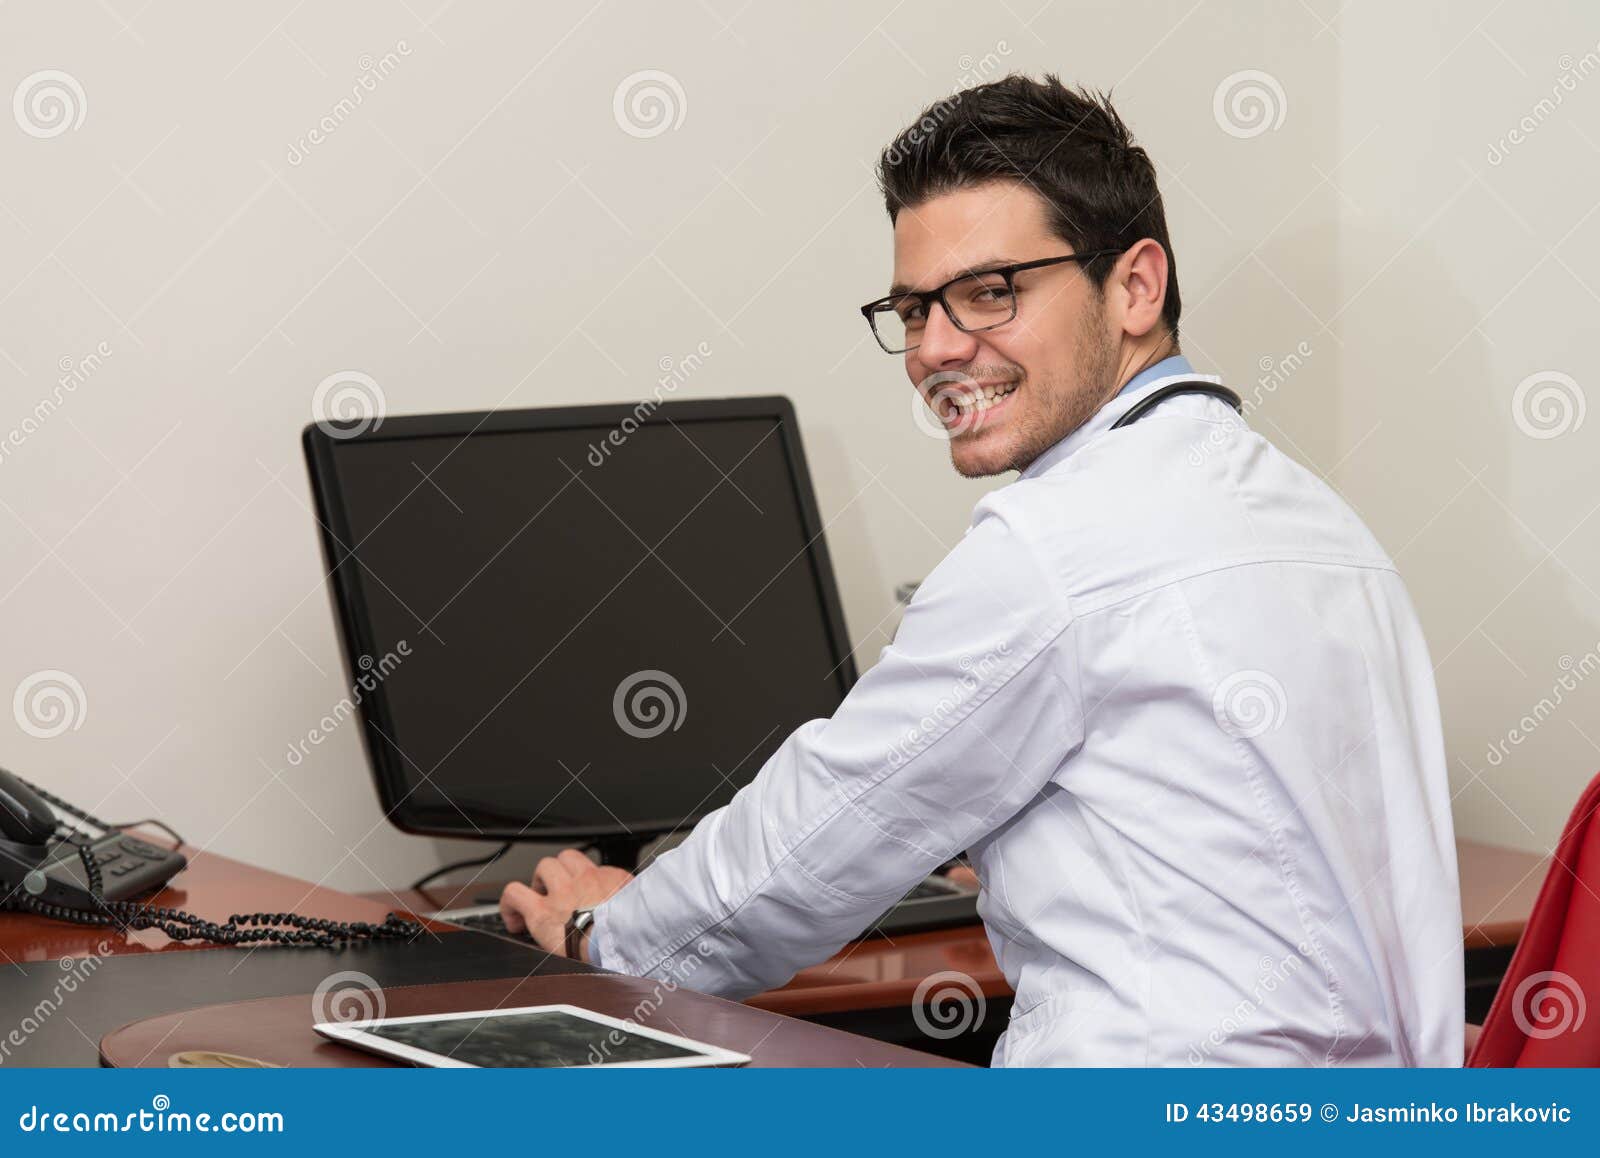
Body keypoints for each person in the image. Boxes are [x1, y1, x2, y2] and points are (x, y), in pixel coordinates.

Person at [500, 74, 1462, 1066]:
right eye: (915, 308)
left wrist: (602, 934)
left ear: (1134, 286)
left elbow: (806, 851)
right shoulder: (1328, 530)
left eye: (989, 292)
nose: (938, 349)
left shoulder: (1052, 547)